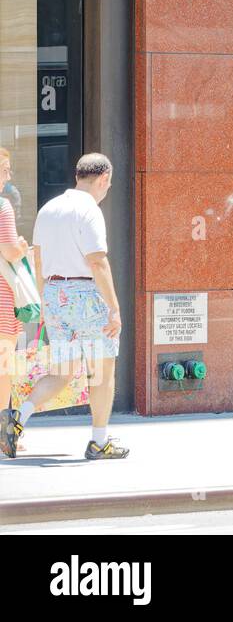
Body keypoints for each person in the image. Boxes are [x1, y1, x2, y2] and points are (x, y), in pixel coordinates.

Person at [0, 153, 127, 460]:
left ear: (76, 176)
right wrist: (114, 308)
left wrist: (46, 301)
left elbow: (39, 259)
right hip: (86, 294)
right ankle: (99, 442)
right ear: (104, 179)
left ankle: (18, 418)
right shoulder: (89, 211)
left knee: (61, 372)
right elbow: (98, 262)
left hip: (55, 293)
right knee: (102, 370)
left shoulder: (49, 209)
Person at [0, 148, 32, 455]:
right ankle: (4, 436)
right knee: (3, 370)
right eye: (6, 170)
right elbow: (9, 251)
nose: (8, 178)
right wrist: (21, 246)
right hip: (1, 300)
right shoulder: (3, 206)